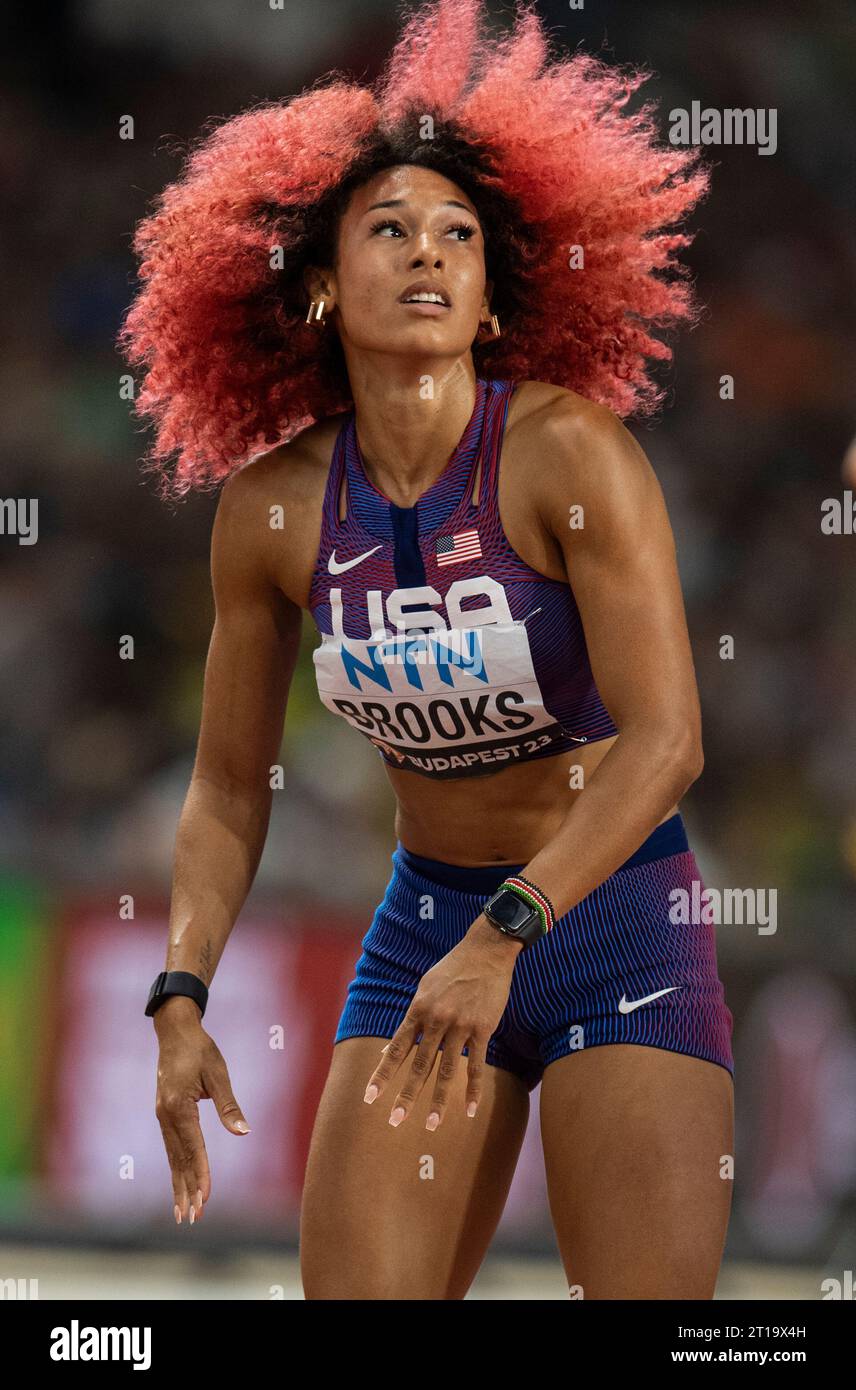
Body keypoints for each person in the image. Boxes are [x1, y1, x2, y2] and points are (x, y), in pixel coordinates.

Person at [125, 0, 734, 1299]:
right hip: (427, 921)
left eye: (460, 235)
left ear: (494, 294)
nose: (429, 253)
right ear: (320, 282)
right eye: (390, 228)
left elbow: (669, 742)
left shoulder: (570, 457)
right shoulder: (274, 510)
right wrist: (180, 991)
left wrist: (510, 932)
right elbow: (228, 786)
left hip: (617, 919)